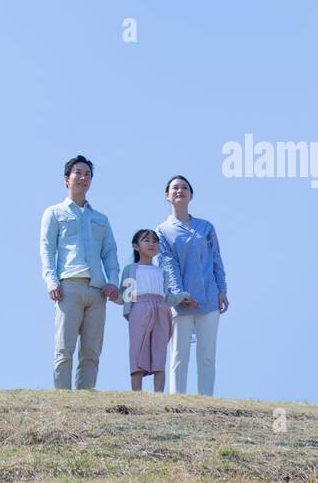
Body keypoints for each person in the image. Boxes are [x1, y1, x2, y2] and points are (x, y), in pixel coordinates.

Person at [39, 154, 120, 389]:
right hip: (69, 286)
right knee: (64, 349)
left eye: (87, 174)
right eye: (78, 173)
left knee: (92, 352)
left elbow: (110, 254)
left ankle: (86, 401)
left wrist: (113, 282)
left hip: (97, 290)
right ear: (66, 179)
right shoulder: (54, 213)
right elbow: (47, 249)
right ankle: (63, 400)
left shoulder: (100, 219)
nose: (83, 177)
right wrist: (51, 281)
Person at [156, 175, 229, 396]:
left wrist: (223, 289)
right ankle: (177, 400)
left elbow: (216, 259)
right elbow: (168, 265)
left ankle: (206, 399)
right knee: (179, 354)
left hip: (209, 298)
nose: (180, 191)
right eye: (175, 188)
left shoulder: (205, 227)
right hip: (181, 303)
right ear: (167, 196)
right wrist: (180, 295)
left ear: (191, 195)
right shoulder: (162, 231)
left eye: (184, 187)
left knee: (207, 354)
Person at [118, 228, 175, 392]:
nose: (152, 244)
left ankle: (159, 394)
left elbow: (167, 297)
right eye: (146, 240)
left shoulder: (162, 272)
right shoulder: (131, 269)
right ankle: (137, 393)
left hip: (161, 309)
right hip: (139, 309)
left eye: (155, 241)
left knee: (160, 350)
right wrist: (113, 295)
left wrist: (184, 297)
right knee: (137, 349)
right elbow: (125, 294)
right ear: (136, 246)